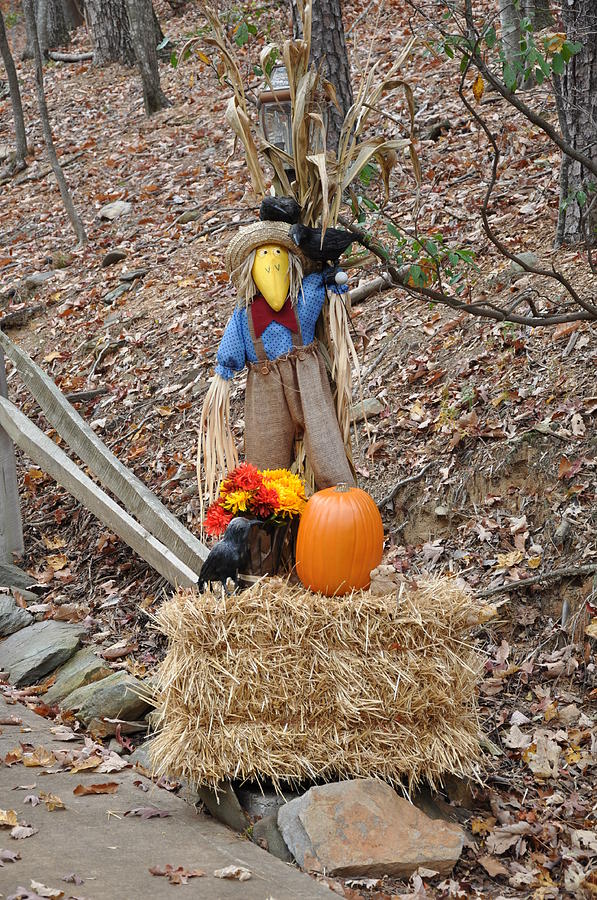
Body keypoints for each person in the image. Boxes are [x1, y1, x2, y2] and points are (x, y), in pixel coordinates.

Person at [198, 220, 355, 504]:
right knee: (265, 455)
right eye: (264, 257)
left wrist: (333, 280)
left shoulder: (304, 297)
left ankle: (343, 500)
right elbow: (230, 349)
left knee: (324, 438)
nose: (272, 264)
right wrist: (223, 375)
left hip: (307, 377)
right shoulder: (243, 316)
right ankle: (265, 514)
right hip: (264, 385)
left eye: (279, 255)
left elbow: (327, 283)